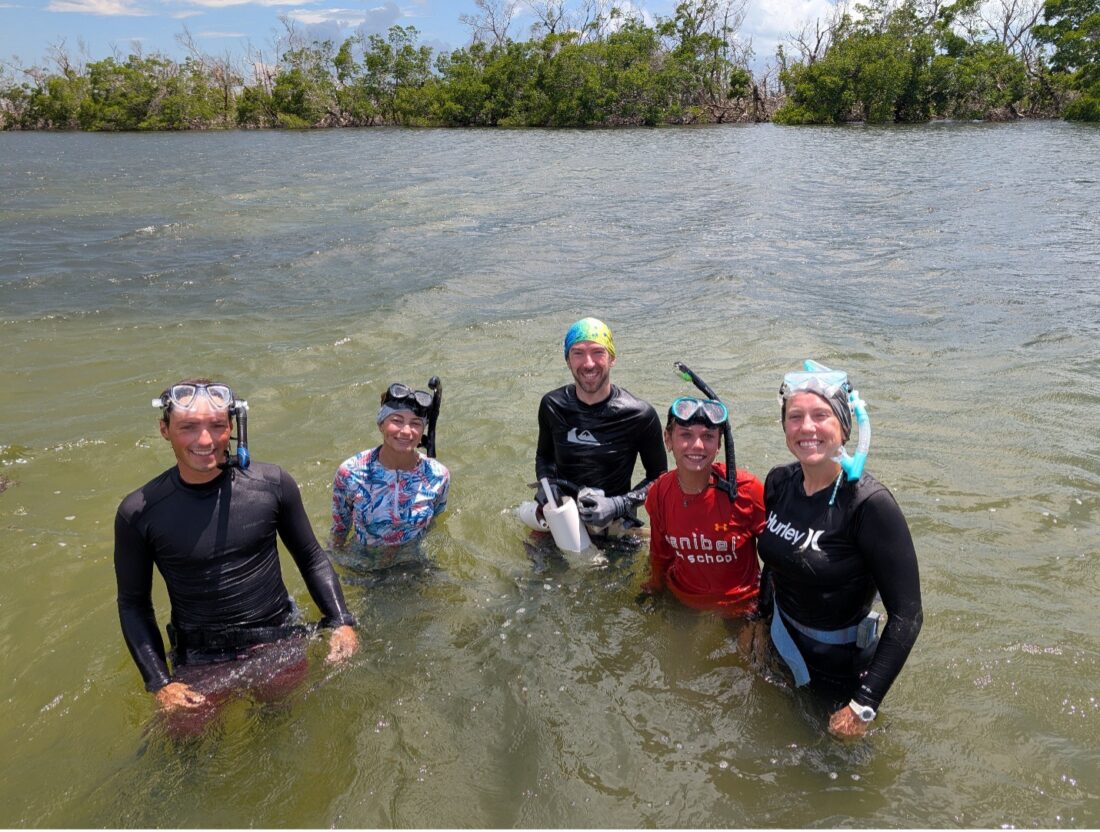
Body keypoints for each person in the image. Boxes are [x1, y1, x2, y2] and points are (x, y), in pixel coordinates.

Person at [114, 379, 358, 719]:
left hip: (276, 641)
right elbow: (133, 604)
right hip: (198, 658)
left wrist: (341, 622)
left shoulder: (273, 485)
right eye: (188, 427)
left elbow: (311, 558)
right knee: (189, 741)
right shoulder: (139, 511)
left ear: (233, 427)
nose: (205, 440)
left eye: (217, 426)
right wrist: (160, 682)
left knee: (281, 733)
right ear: (164, 430)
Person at [750, 362, 922, 738]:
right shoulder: (780, 482)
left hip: (841, 672)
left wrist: (863, 704)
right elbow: (775, 561)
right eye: (795, 417)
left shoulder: (869, 505)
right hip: (782, 642)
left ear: (845, 426)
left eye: (820, 415)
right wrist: (759, 621)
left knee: (836, 775)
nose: (807, 427)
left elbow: (908, 617)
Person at [535, 317, 667, 536]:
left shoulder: (639, 414)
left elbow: (660, 477)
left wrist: (619, 504)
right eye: (578, 353)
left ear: (612, 358)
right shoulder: (552, 405)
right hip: (562, 517)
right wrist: (547, 486)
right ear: (568, 360)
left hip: (617, 524)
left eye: (597, 352)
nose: (588, 363)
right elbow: (544, 457)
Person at [642, 396, 765, 617]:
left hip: (741, 604)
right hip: (682, 596)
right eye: (686, 435)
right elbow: (660, 554)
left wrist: (766, 608)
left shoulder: (747, 490)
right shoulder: (659, 492)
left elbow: (778, 558)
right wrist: (655, 587)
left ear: (719, 444)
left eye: (708, 436)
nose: (697, 445)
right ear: (668, 440)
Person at [330, 382, 449, 563]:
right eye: (396, 421)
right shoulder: (351, 472)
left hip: (412, 563)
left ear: (423, 431)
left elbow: (434, 523)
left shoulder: (438, 475)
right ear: (381, 424)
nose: (406, 431)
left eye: (415, 423)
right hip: (363, 564)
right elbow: (339, 530)